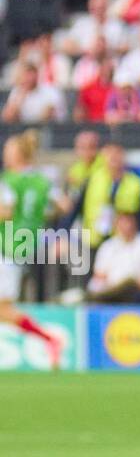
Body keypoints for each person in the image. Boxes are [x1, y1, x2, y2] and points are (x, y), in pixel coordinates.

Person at [0, 132, 61, 367]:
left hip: (6, 248)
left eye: (8, 149)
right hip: (22, 247)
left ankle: (49, 338)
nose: (5, 153)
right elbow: (61, 205)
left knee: (5, 309)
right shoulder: (42, 181)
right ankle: (49, 339)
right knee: (4, 309)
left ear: (17, 154)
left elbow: (5, 212)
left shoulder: (9, 179)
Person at [87, 211, 140, 302]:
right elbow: (99, 274)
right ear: (116, 224)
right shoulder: (108, 246)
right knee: (94, 285)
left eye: (128, 222)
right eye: (122, 222)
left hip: (139, 288)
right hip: (112, 289)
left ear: (135, 223)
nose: (126, 226)